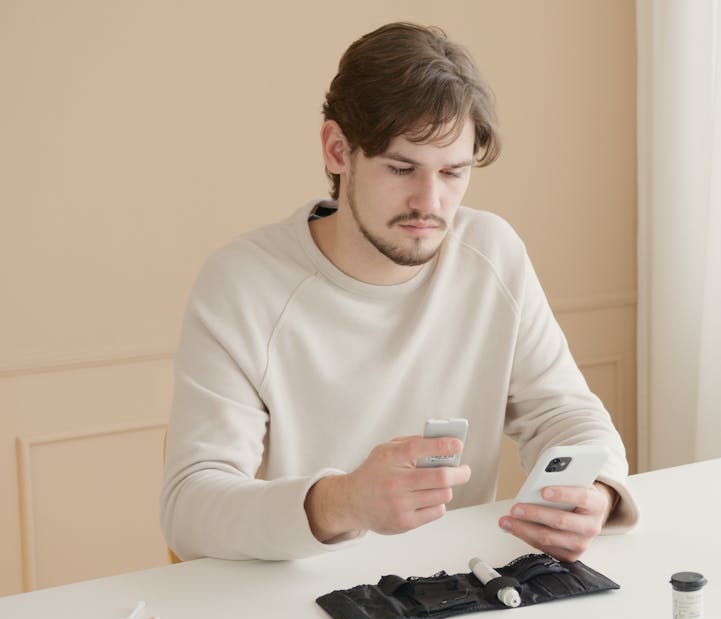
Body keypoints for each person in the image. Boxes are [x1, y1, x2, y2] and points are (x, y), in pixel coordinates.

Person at [160, 22, 637, 562]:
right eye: (401, 168)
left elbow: (564, 413)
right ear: (339, 150)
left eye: (453, 173)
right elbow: (189, 508)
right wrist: (342, 502)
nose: (429, 202)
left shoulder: (492, 252)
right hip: (295, 595)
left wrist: (592, 489)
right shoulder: (243, 284)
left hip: (460, 585)